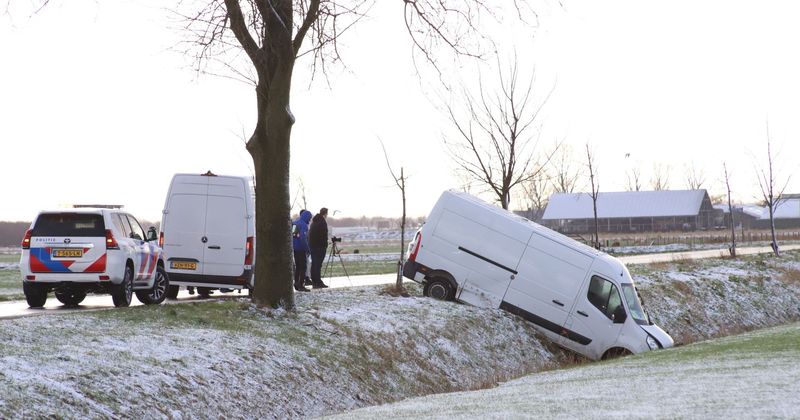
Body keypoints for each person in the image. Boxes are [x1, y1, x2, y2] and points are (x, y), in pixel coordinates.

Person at [308, 207, 330, 289]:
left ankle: (314, 281)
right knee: (318, 264)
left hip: (312, 245)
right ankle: (318, 281)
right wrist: (325, 244)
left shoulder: (314, 221)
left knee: (314, 264)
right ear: (325, 213)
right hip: (320, 246)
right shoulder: (322, 222)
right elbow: (323, 235)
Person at [292, 210, 313, 292]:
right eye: (310, 218)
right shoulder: (304, 225)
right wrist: (307, 249)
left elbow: (294, 235)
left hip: (295, 248)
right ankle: (301, 284)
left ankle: (296, 283)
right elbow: (303, 238)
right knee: (303, 267)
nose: (310, 220)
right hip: (301, 248)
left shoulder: (295, 223)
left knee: (297, 266)